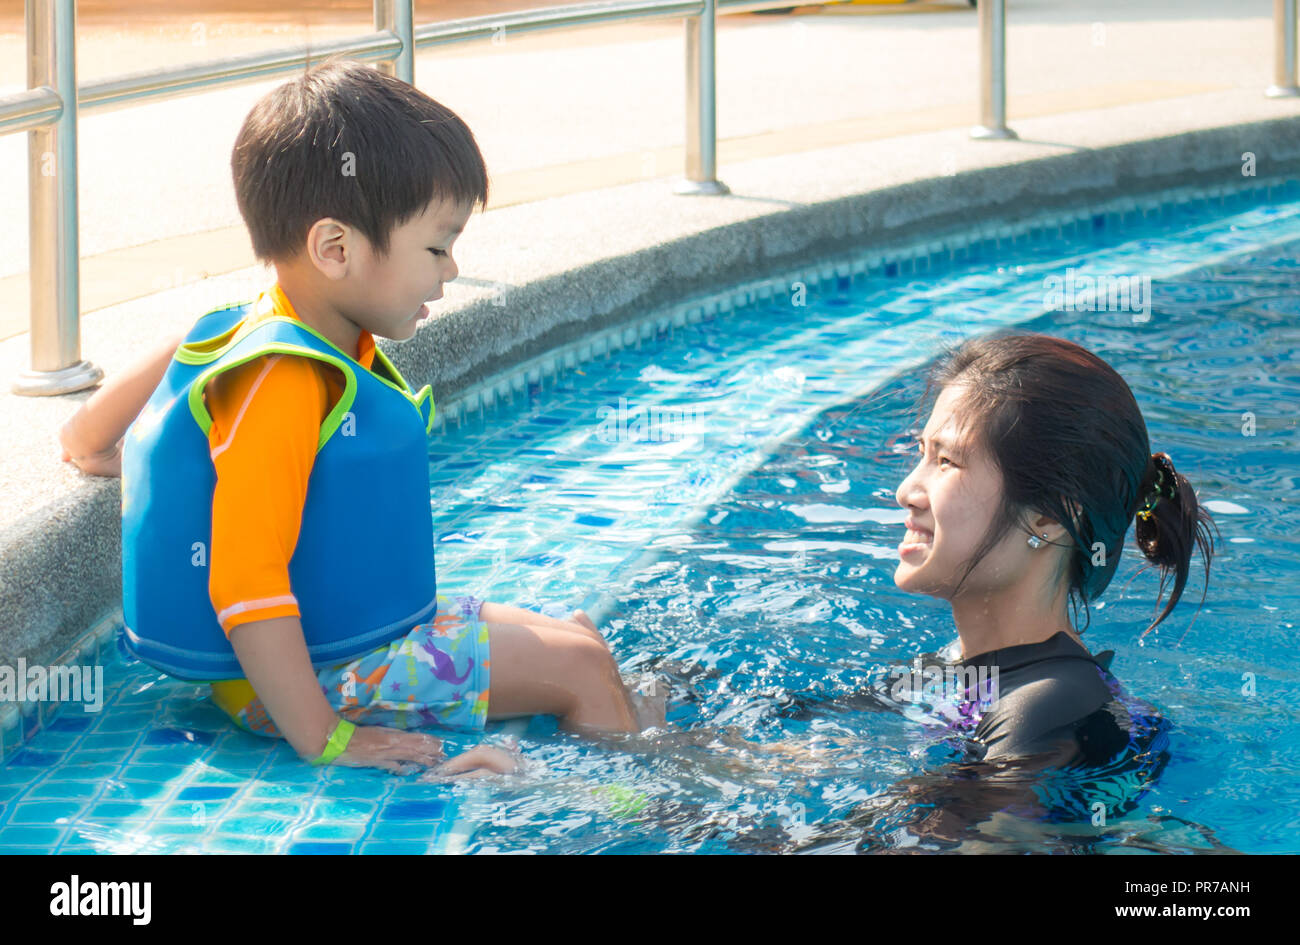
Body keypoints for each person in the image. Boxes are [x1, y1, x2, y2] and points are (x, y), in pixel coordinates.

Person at [61, 58, 649, 778]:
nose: (451, 270)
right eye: (436, 246)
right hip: (310, 676)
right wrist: (329, 737)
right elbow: (244, 582)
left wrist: (131, 459)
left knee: (578, 635)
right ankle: (641, 808)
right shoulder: (284, 378)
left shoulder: (249, 324)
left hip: (350, 638)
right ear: (335, 249)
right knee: (581, 670)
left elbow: (83, 438)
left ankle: (659, 750)